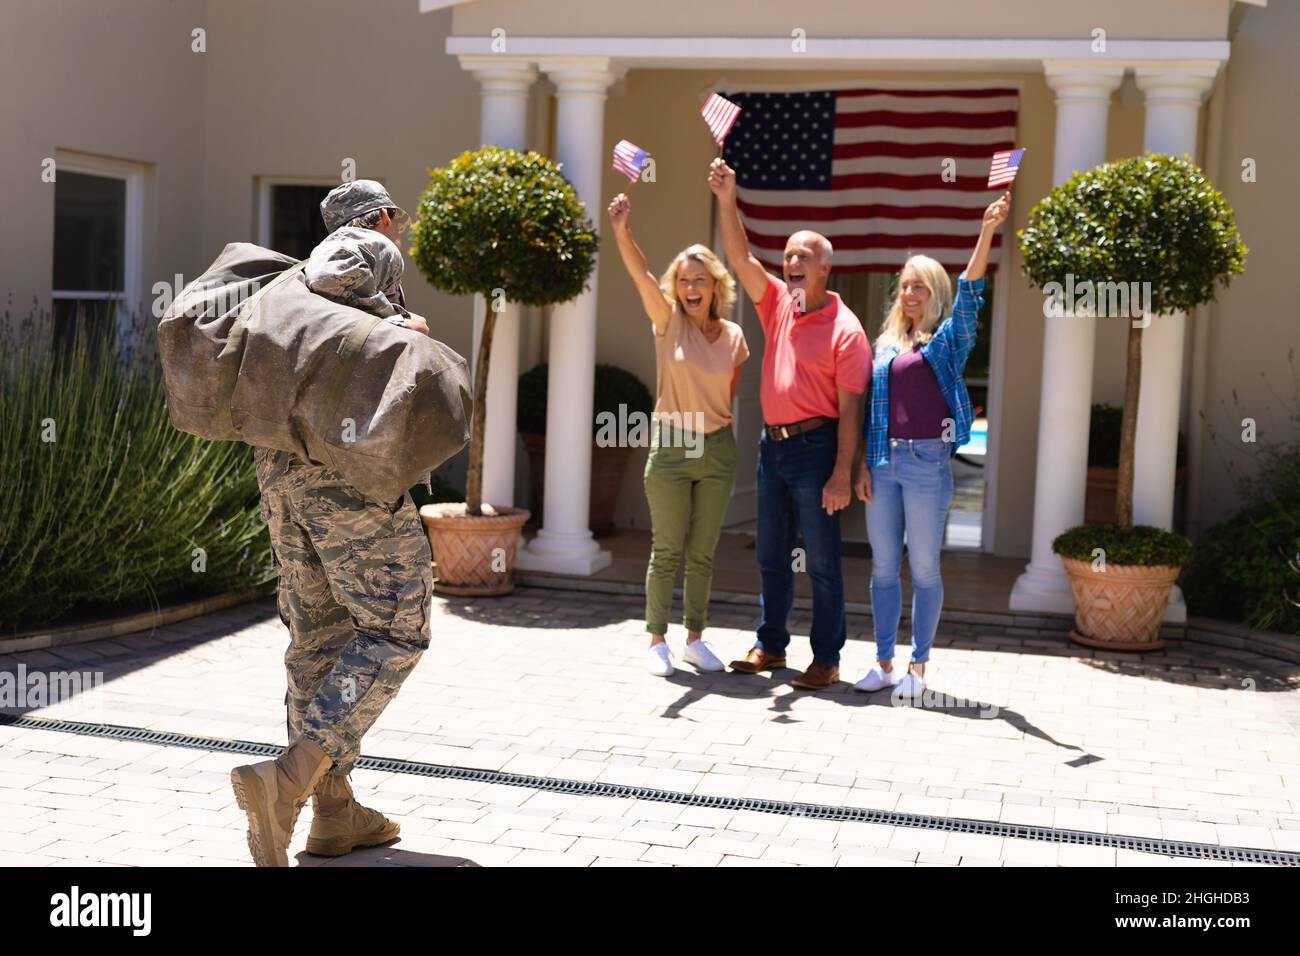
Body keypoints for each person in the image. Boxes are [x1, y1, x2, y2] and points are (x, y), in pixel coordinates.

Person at [230, 180, 434, 866]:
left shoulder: (290, 293)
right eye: (392, 221)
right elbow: (338, 269)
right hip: (347, 477)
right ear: (380, 218)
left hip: (284, 473)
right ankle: (288, 782)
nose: (394, 232)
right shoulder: (362, 247)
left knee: (316, 639)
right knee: (396, 629)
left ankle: (335, 813)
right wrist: (398, 327)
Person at [708, 158, 871, 691]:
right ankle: (771, 645)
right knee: (773, 552)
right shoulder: (778, 301)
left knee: (822, 562)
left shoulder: (846, 331)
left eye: (804, 255)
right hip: (770, 447)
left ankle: (827, 658)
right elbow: (737, 255)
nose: (792, 262)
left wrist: (841, 473)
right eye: (788, 256)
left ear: (825, 267)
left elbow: (852, 411)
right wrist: (728, 197)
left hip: (817, 448)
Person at [852, 191, 1011, 699]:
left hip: (926, 464)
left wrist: (986, 231)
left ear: (934, 293)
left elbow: (971, 297)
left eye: (919, 286)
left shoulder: (945, 341)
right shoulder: (883, 347)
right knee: (881, 568)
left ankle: (918, 670)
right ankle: (883, 663)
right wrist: (859, 464)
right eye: (904, 287)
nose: (909, 294)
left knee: (923, 568)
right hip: (882, 463)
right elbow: (867, 411)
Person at [607, 192, 749, 677]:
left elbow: (727, 394)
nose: (691, 287)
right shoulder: (667, 322)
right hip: (672, 444)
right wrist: (623, 230)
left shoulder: (732, 336)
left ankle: (695, 638)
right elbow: (640, 275)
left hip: (717, 447)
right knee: (666, 549)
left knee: (703, 551)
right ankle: (656, 640)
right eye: (683, 280)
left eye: (699, 280)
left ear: (715, 286)